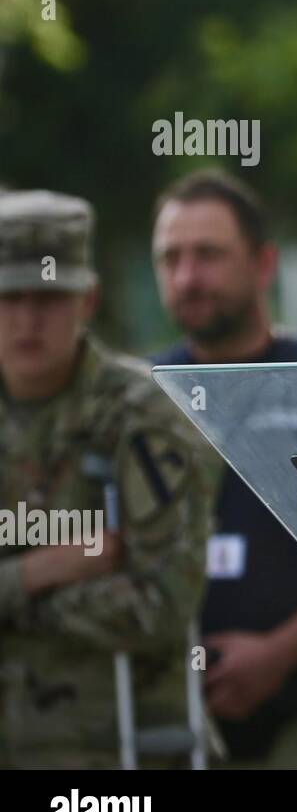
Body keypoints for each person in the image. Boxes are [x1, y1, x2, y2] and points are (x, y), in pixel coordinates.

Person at [151, 169, 297, 769]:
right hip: (163, 721)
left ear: (263, 263)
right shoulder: (137, 396)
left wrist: (276, 654)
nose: (187, 276)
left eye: (209, 255)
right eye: (170, 258)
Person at [0, 189, 217, 768]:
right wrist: (38, 573)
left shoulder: (144, 418)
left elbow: (162, 605)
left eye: (47, 297)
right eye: (9, 297)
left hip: (113, 752)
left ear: (87, 300)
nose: (26, 319)